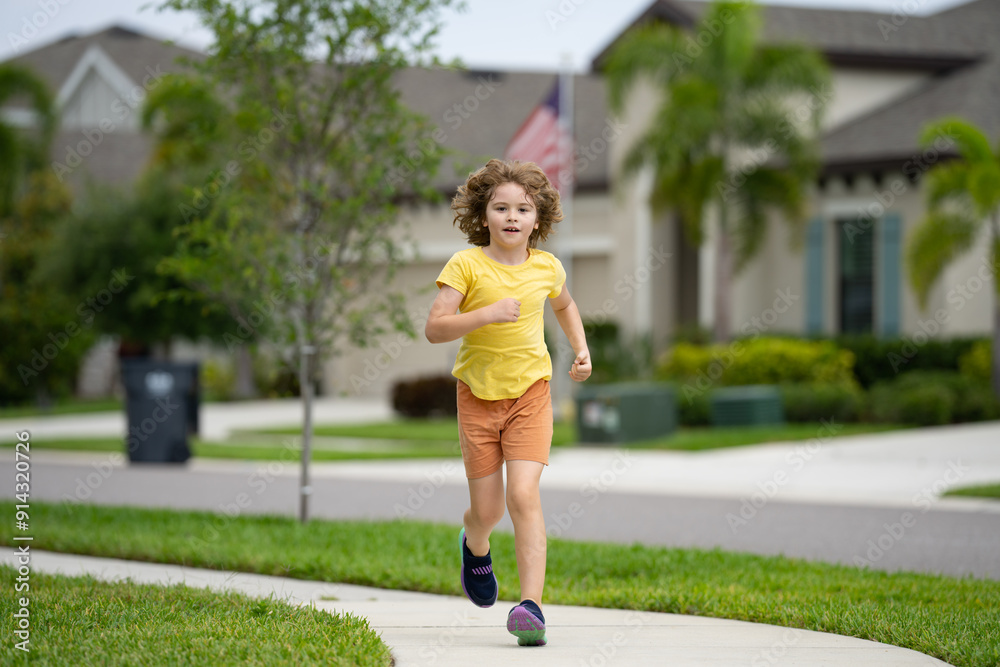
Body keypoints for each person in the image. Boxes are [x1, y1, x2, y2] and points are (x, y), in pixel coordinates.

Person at [425, 158, 591, 647]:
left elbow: (564, 305)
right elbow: (435, 328)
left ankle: (532, 608)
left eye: (523, 208)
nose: (512, 216)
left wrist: (581, 349)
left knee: (523, 494)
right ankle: (475, 548)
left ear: (538, 219)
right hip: (477, 398)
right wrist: (486, 314)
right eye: (501, 207)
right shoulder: (466, 265)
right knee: (488, 510)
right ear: (484, 215)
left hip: (531, 396)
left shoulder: (547, 267)